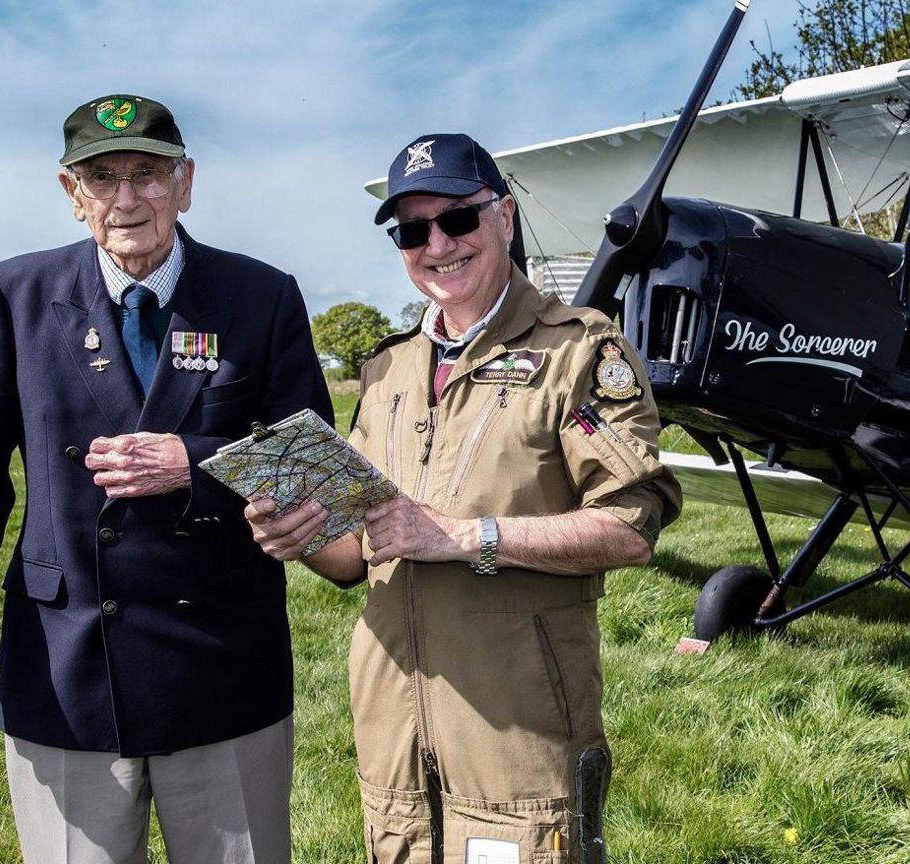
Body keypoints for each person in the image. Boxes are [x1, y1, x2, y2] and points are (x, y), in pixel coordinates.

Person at [0, 93, 331, 864]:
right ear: (72, 195)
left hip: (223, 671)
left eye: (148, 174)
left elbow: (309, 465)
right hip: (68, 677)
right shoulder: (17, 295)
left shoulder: (260, 296)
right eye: (102, 177)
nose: (127, 199)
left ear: (185, 182)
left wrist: (190, 463)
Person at [247, 133, 681, 863]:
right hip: (394, 734)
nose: (437, 245)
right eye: (412, 231)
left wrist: (467, 536)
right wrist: (297, 531)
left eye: (458, 219)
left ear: (505, 217)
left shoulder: (579, 350)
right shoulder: (387, 368)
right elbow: (356, 556)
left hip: (516, 730)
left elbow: (632, 527)